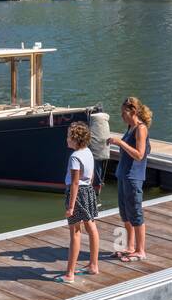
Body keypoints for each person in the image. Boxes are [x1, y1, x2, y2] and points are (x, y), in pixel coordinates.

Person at [107, 97, 152, 262]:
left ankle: (141, 250)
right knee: (125, 213)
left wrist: (120, 142)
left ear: (133, 111)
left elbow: (139, 155)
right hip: (123, 174)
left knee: (136, 213)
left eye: (124, 112)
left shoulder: (141, 129)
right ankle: (130, 246)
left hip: (134, 176)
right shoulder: (130, 127)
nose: (121, 115)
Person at [61, 121, 100, 282]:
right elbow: (90, 177)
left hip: (76, 194)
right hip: (88, 191)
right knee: (91, 228)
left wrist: (71, 206)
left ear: (76, 139)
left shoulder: (75, 157)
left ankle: (69, 274)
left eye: (69, 136)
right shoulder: (88, 152)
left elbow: (75, 182)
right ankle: (93, 265)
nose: (67, 139)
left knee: (75, 233)